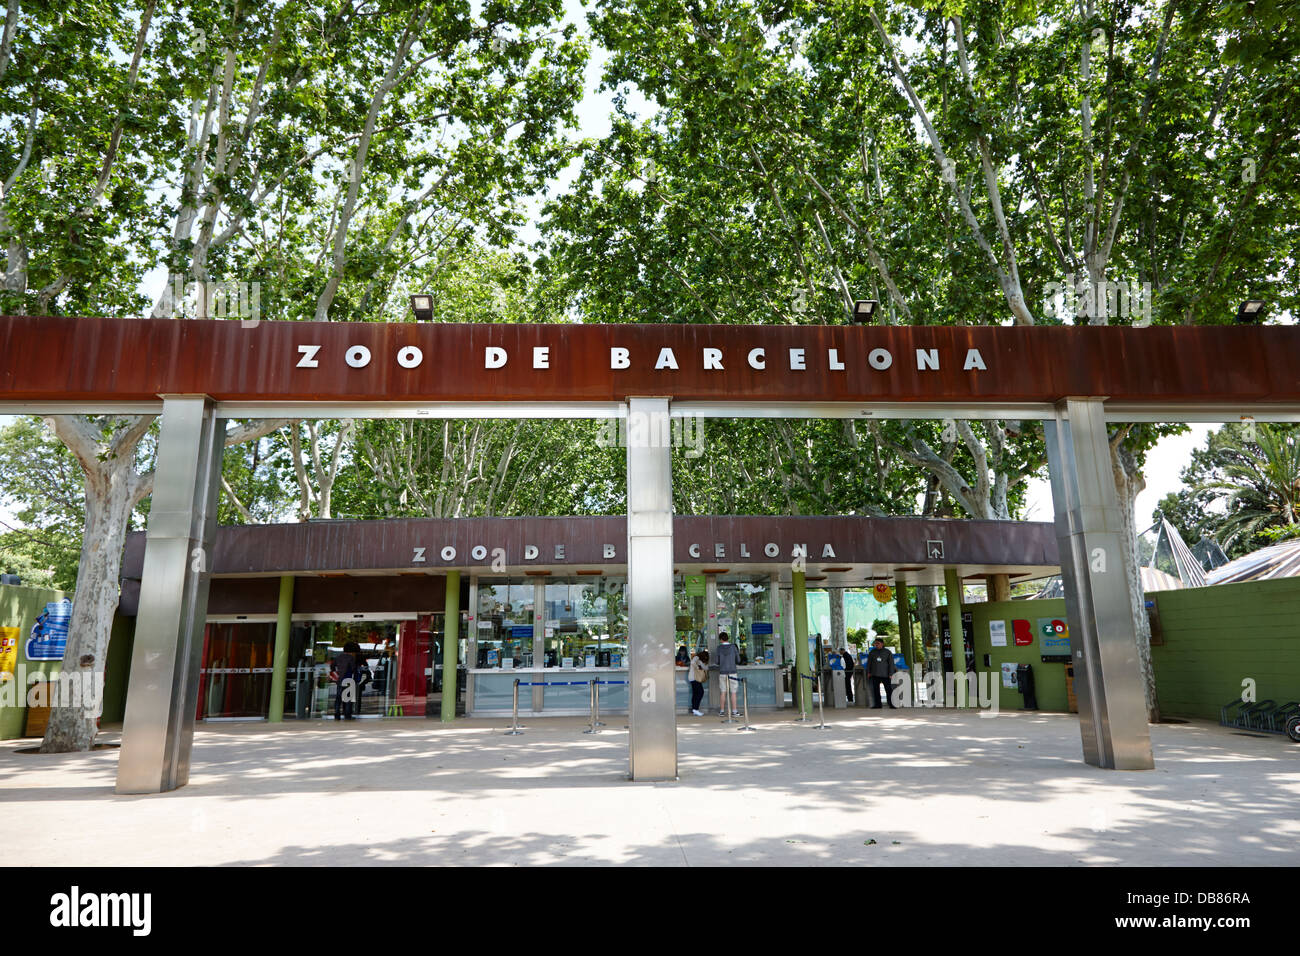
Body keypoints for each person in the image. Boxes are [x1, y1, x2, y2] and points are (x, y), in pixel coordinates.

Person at [866, 637, 897, 709]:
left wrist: (891, 674)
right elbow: (869, 663)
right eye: (875, 644)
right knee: (876, 690)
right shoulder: (872, 652)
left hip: (885, 674)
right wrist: (869, 672)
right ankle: (878, 704)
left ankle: (891, 704)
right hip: (875, 674)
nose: (876, 645)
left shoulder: (887, 652)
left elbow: (891, 664)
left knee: (888, 690)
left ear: (882, 644)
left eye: (878, 643)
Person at [715, 631, 740, 717]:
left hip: (722, 672)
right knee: (733, 692)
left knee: (723, 692)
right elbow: (738, 660)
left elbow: (717, 661)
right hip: (732, 672)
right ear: (727, 638)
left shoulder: (719, 648)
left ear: (721, 639)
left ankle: (722, 711)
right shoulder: (733, 647)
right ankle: (734, 711)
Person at [333, 641, 359, 720]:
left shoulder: (338, 657)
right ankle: (347, 714)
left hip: (339, 679)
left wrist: (336, 675)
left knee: (338, 698)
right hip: (348, 679)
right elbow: (354, 669)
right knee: (347, 698)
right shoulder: (351, 658)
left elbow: (332, 666)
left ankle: (337, 714)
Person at [688, 648, 709, 716]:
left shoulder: (699, 660)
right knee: (700, 692)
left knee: (695, 693)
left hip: (693, 678)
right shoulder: (697, 657)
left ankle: (694, 709)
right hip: (695, 678)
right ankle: (695, 709)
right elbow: (692, 662)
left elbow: (705, 667)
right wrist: (697, 667)